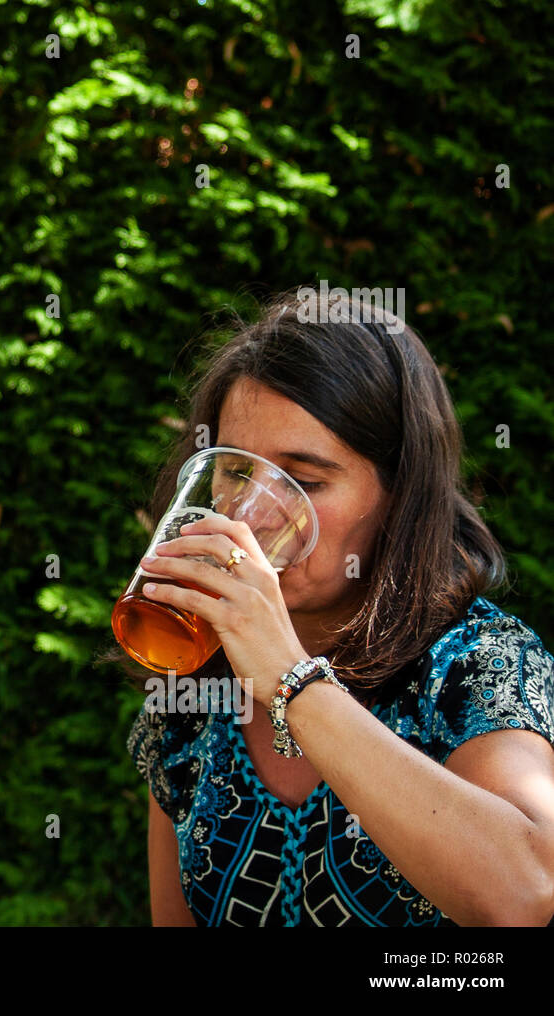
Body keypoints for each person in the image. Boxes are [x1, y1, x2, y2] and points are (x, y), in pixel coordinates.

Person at [119, 292, 554, 926]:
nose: (251, 515)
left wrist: (289, 678)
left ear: (399, 491)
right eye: (237, 472)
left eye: (307, 480)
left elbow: (525, 894)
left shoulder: (476, 666)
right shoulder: (195, 691)